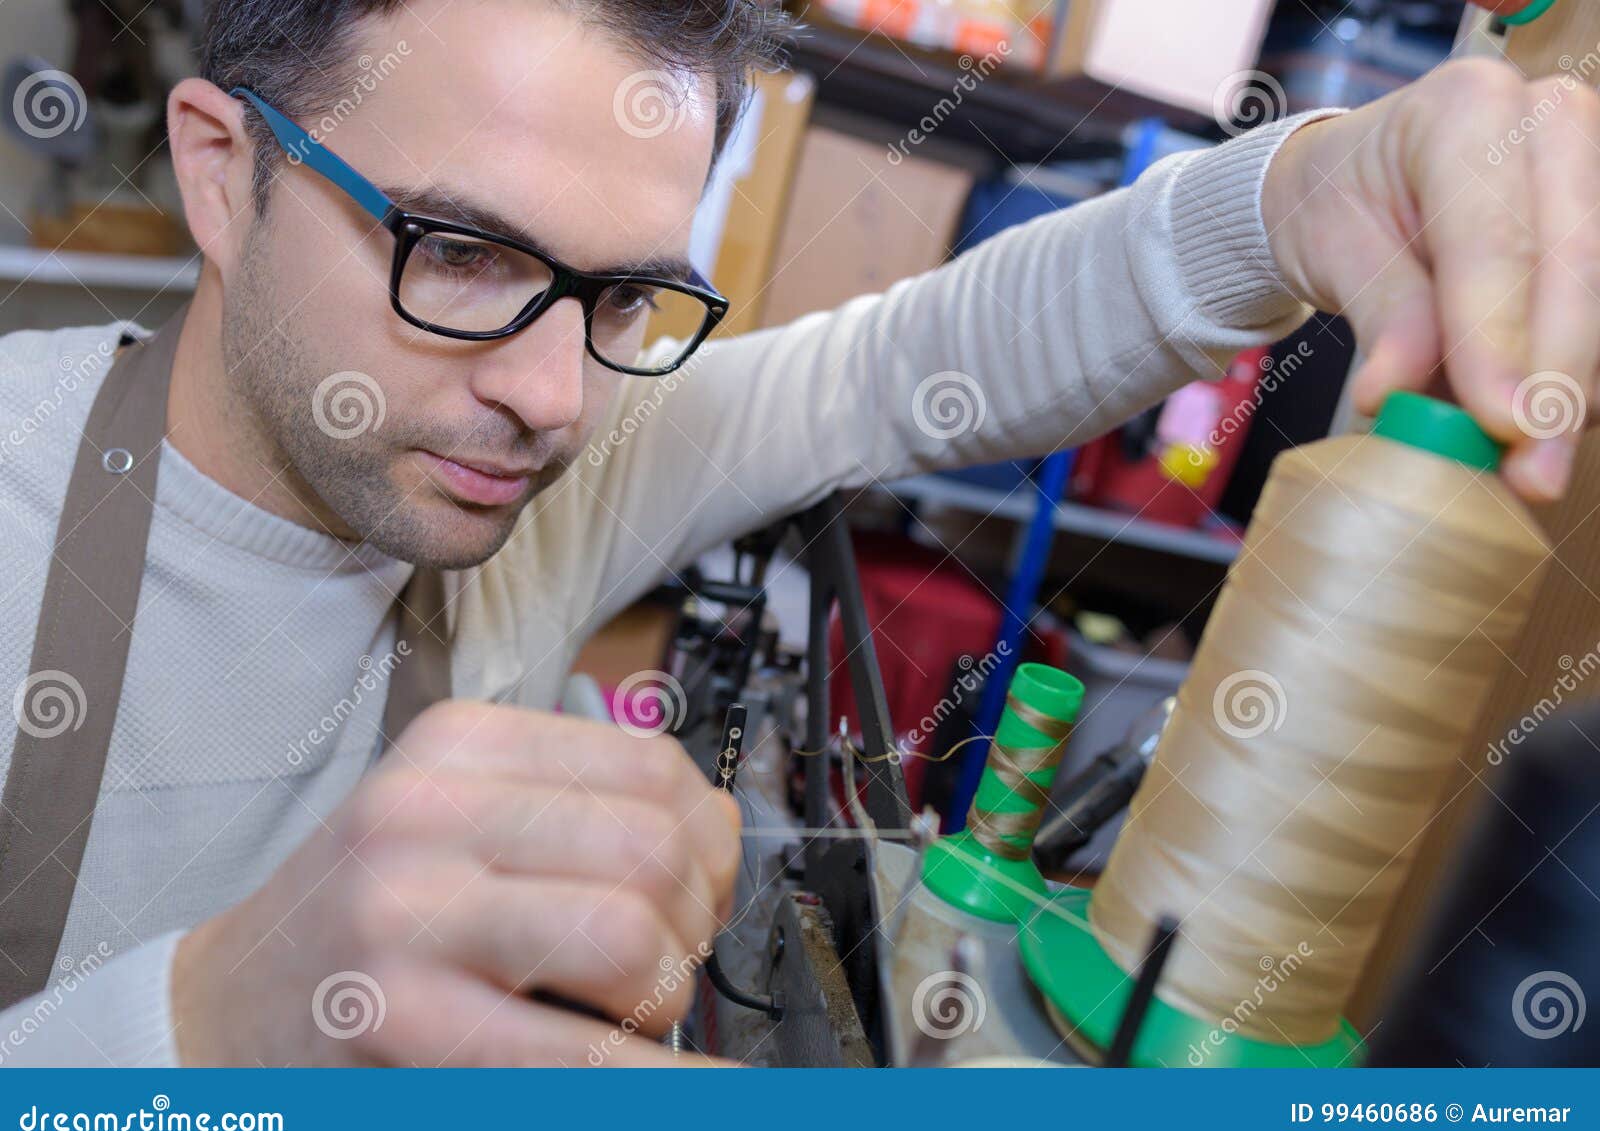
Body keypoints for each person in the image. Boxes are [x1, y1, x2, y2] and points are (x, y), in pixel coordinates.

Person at [0, 0, 1589, 1066]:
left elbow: (915, 359)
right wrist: (199, 1022)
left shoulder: (569, 463)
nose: (556, 399)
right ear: (219, 170)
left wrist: (1301, 199)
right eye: (464, 254)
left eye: (626, 293)